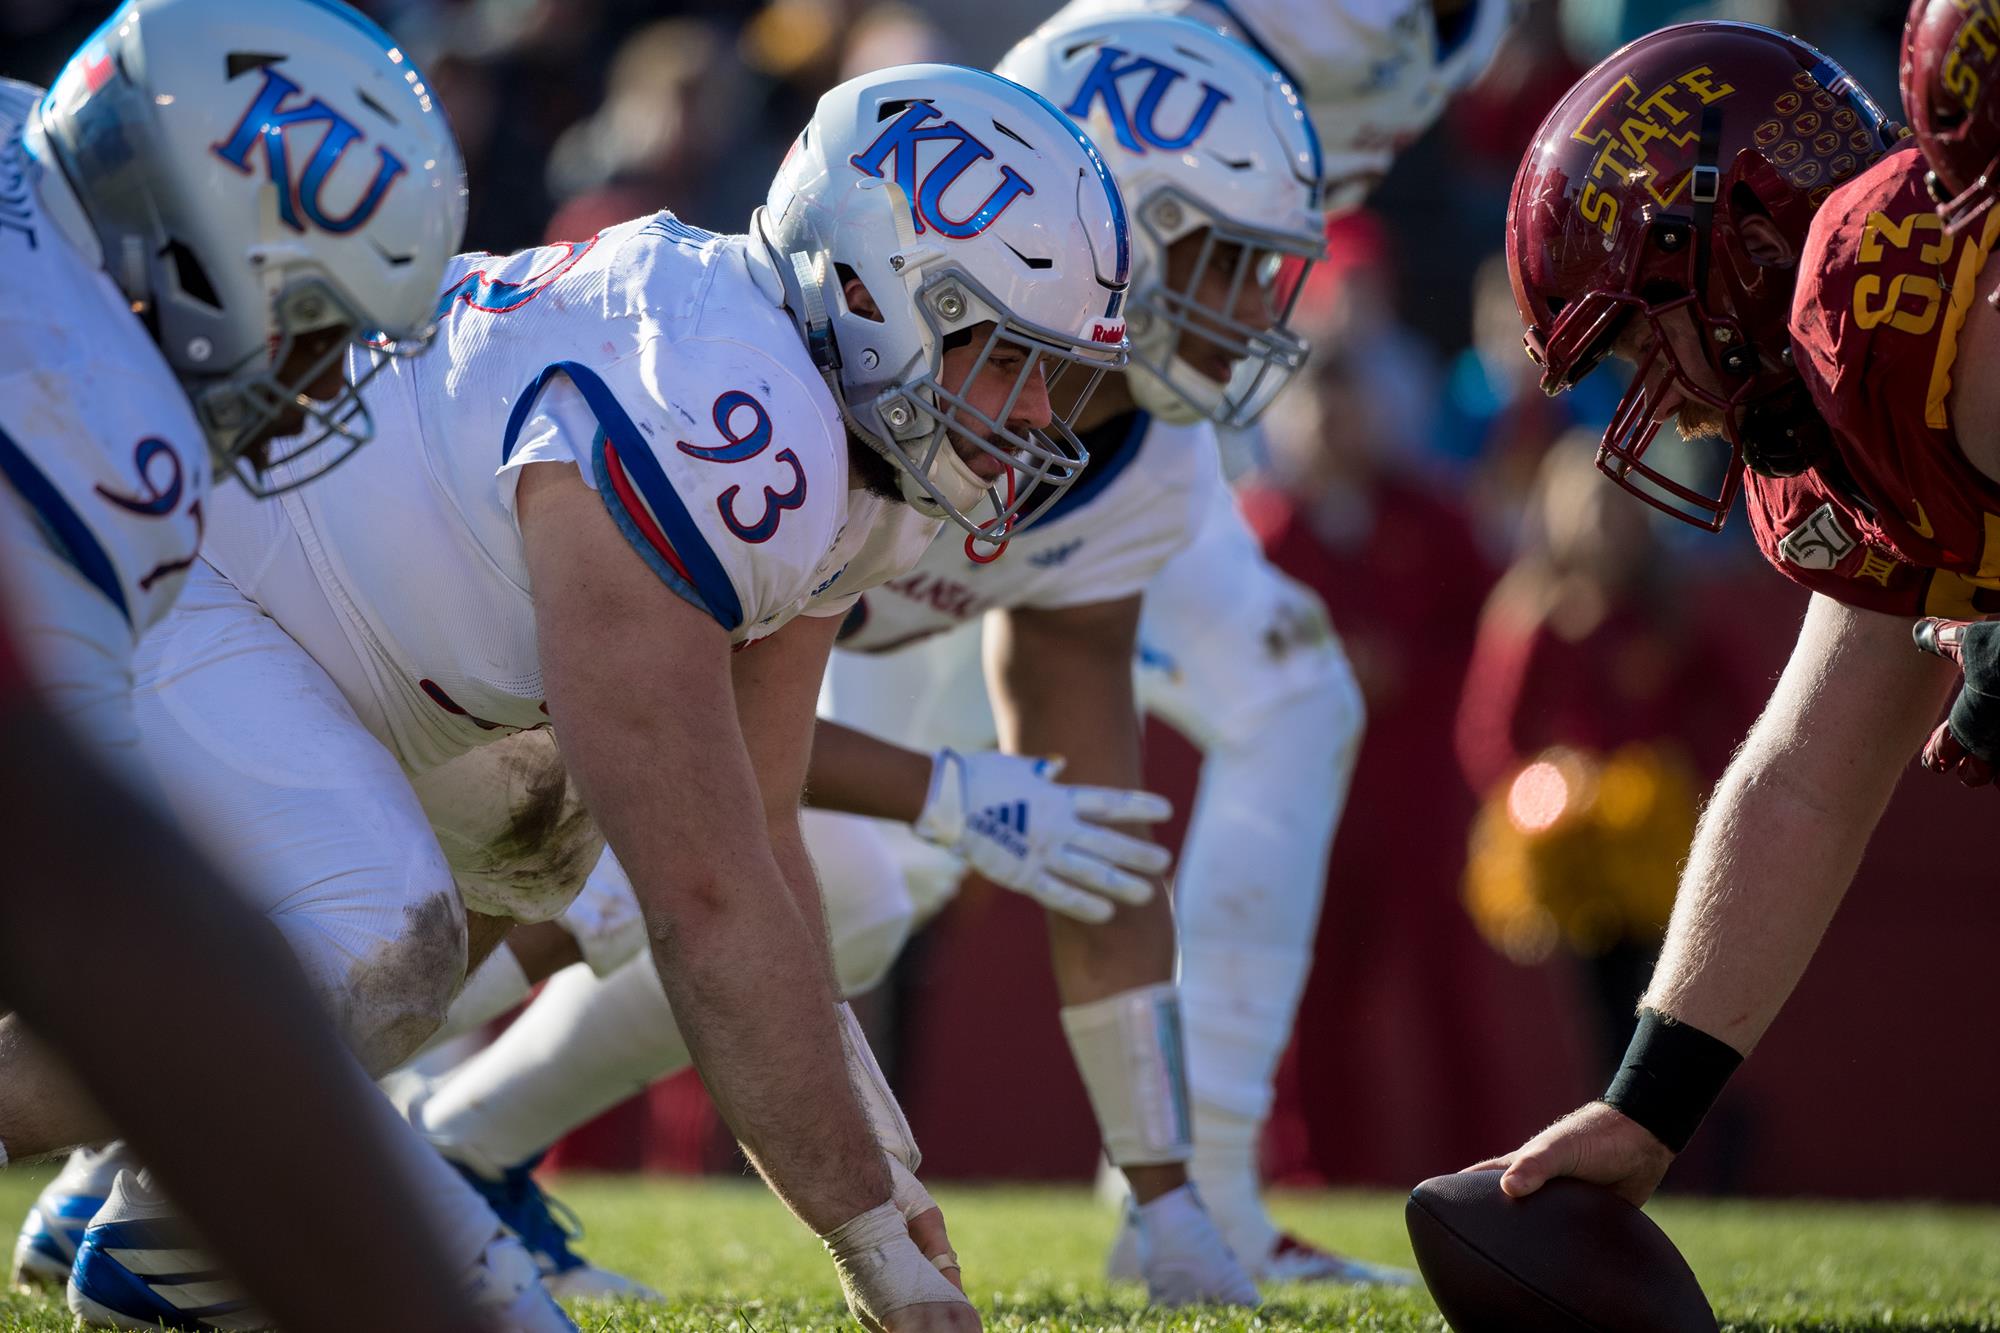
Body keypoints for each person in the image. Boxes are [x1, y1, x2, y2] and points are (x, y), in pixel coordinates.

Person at [389, 0, 1521, 1298]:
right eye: (1223, 260)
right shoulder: (822, 391)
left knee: (849, 892)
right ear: (1111, 242)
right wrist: (939, 790)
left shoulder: (1136, 459)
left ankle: (454, 1142)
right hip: (479, 679)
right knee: (607, 838)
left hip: (716, 681)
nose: (1263, 312)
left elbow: (1098, 818)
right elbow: (687, 748)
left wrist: (1169, 1198)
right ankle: (290, 1107)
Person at [9, 57, 1133, 1333]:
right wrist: (864, 1236)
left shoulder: (851, 456)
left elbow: (760, 831)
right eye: (1001, 355)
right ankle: (138, 1170)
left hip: (314, 627)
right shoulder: (725, 406)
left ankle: (161, 1218)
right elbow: (700, 901)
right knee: (385, 930)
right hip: (185, 565)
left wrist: (880, 1178)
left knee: (535, 823)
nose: (1040, 413)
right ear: (869, 290)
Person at [0, 2, 532, 1329]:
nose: (321, 381)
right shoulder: (111, 450)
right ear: (184, 235)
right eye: (310, 319)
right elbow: (86, 899)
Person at [1468, 15, 1993, 1206]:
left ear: (1746, 254)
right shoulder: (1858, 410)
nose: (1649, 398)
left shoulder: (1907, 292)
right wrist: (1641, 1108)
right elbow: (1803, 772)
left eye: (1642, 337)